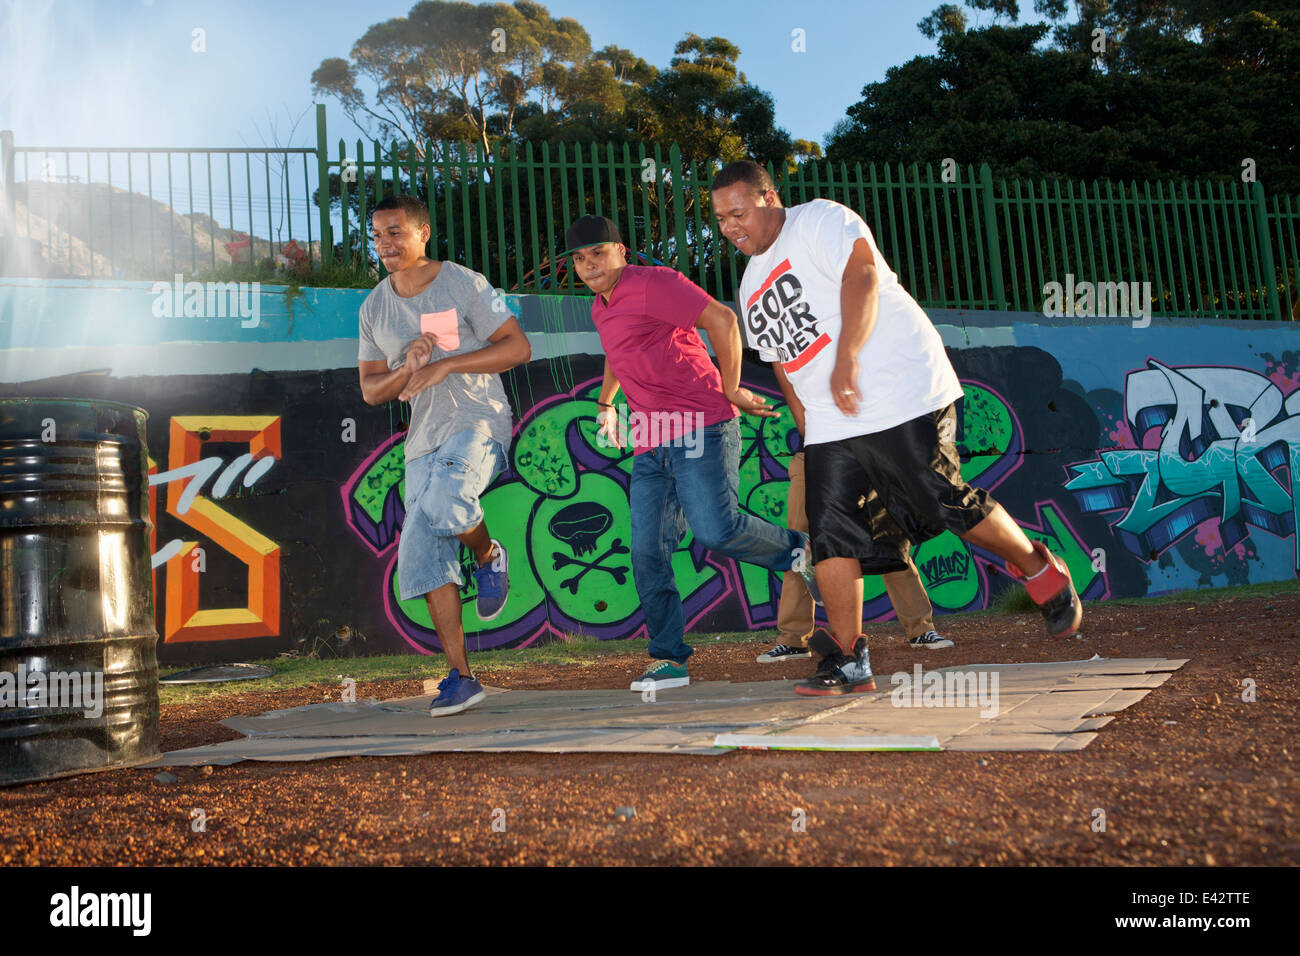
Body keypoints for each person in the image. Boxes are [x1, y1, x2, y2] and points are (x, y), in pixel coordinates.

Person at [711, 161, 1082, 697]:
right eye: (721, 219)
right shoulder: (748, 287)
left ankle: (1041, 569)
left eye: (738, 213)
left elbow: (862, 276)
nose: (730, 227)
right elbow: (784, 367)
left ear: (770, 197)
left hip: (900, 389)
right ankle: (850, 657)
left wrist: (848, 357)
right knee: (830, 530)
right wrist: (808, 428)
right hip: (831, 422)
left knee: (943, 500)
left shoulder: (820, 221)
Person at [563, 214, 821, 693]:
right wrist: (605, 403)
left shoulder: (654, 283)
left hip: (702, 425)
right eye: (580, 259)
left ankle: (799, 550)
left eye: (598, 253)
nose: (589, 265)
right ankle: (670, 660)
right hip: (651, 441)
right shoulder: (601, 306)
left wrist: (733, 387)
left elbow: (723, 319)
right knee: (646, 553)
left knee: (716, 529)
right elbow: (619, 354)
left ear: (621, 251)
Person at [358, 195, 531, 716]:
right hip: (422, 442)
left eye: (396, 233)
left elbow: (518, 347)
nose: (386, 244)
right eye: (378, 236)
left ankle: (487, 555)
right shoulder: (374, 308)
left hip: (477, 422)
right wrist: (407, 368)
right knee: (424, 557)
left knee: (450, 497)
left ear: (422, 232)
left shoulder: (463, 282)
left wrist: (446, 367)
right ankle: (461, 676)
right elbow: (371, 390)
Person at [758, 443, 952, 663]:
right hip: (812, 457)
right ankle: (793, 640)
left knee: (889, 539)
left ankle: (921, 629)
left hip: (868, 454)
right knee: (801, 546)